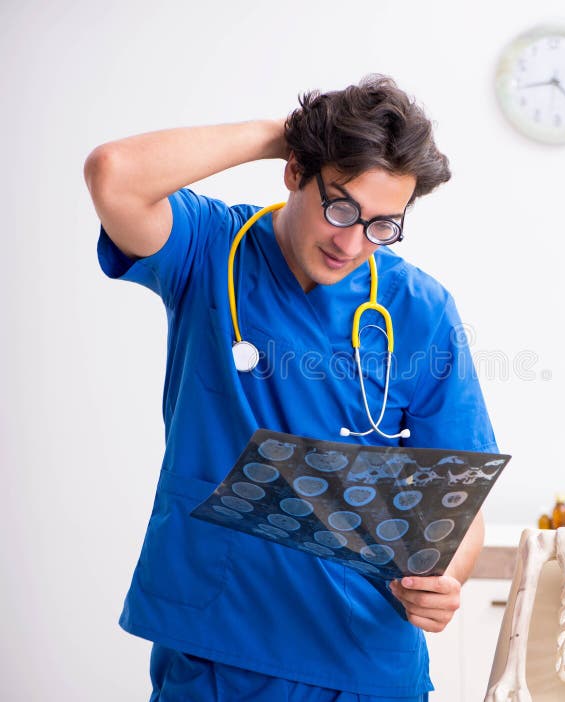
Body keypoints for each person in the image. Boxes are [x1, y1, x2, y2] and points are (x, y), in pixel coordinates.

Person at [84, 74, 498, 701]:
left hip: (363, 654)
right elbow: (113, 173)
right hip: (221, 646)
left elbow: (459, 503)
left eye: (383, 225)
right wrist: (279, 135)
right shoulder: (209, 249)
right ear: (295, 171)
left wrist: (444, 578)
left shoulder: (421, 311)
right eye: (340, 208)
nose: (353, 243)